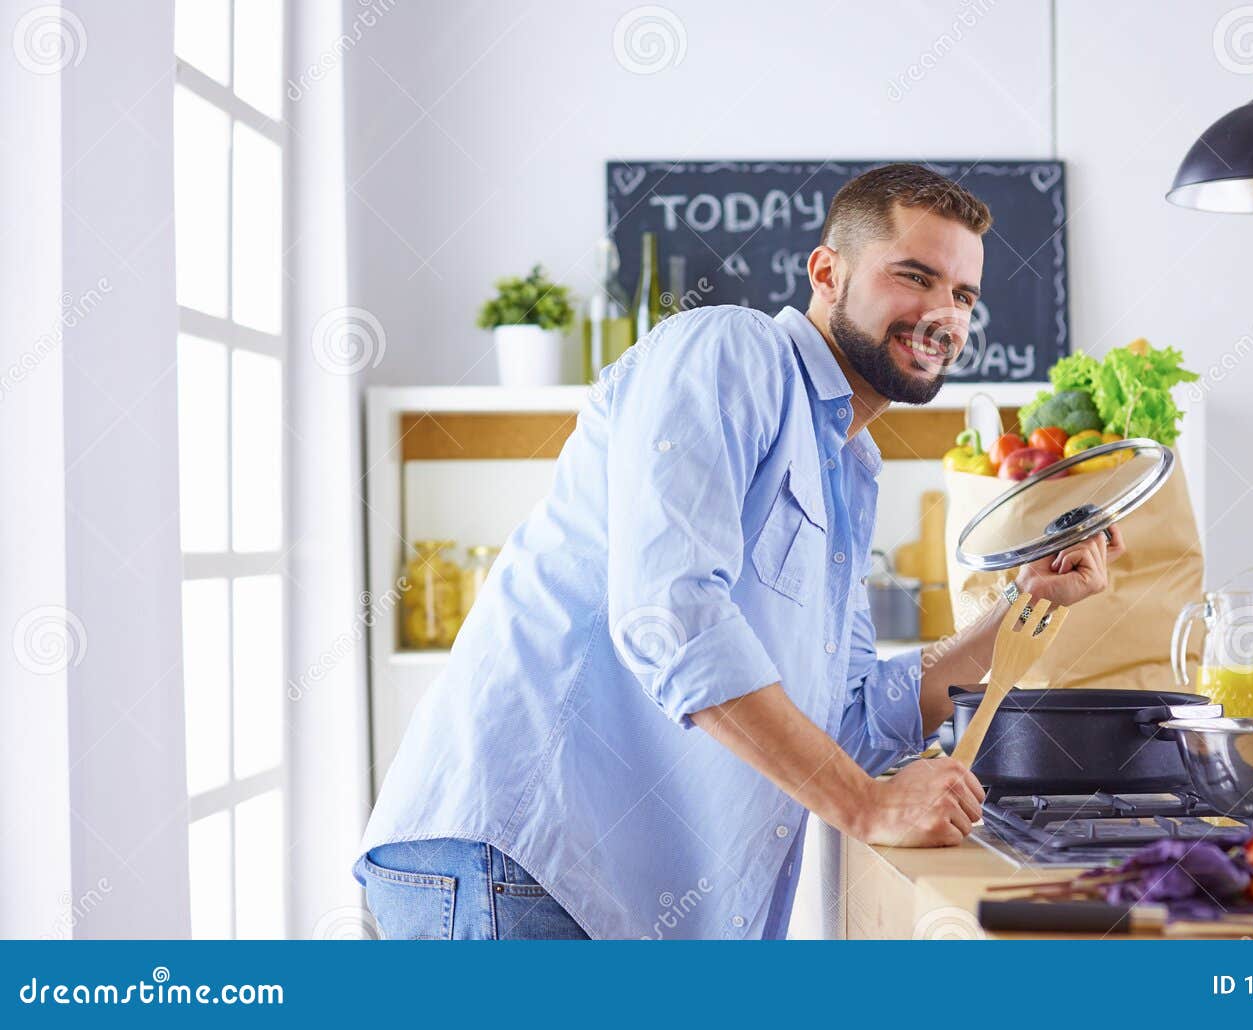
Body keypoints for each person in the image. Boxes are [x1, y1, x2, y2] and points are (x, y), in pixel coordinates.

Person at [355, 163, 1126, 939]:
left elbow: (851, 720)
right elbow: (670, 612)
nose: (942, 315)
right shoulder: (731, 349)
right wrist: (865, 803)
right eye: (914, 276)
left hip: (602, 902)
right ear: (828, 272)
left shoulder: (850, 467)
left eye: (963, 297)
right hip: (524, 869)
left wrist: (1023, 606)